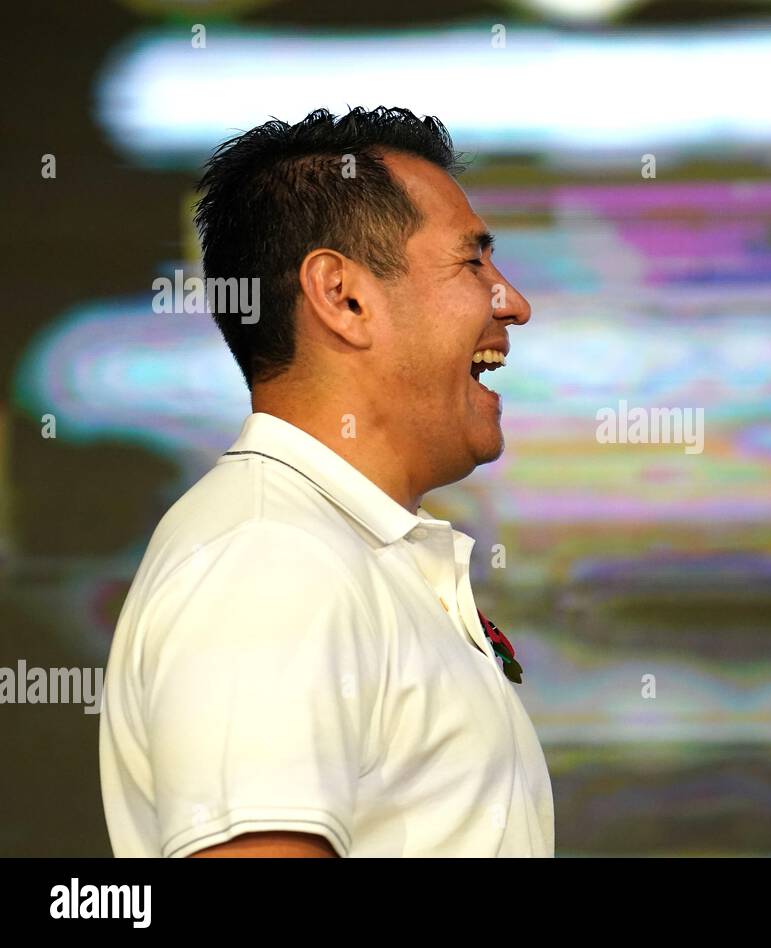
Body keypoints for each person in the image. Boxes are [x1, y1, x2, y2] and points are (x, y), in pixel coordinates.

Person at [99, 107, 552, 857]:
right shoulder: (271, 557)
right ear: (342, 297)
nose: (513, 302)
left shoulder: (319, 548)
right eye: (473, 262)